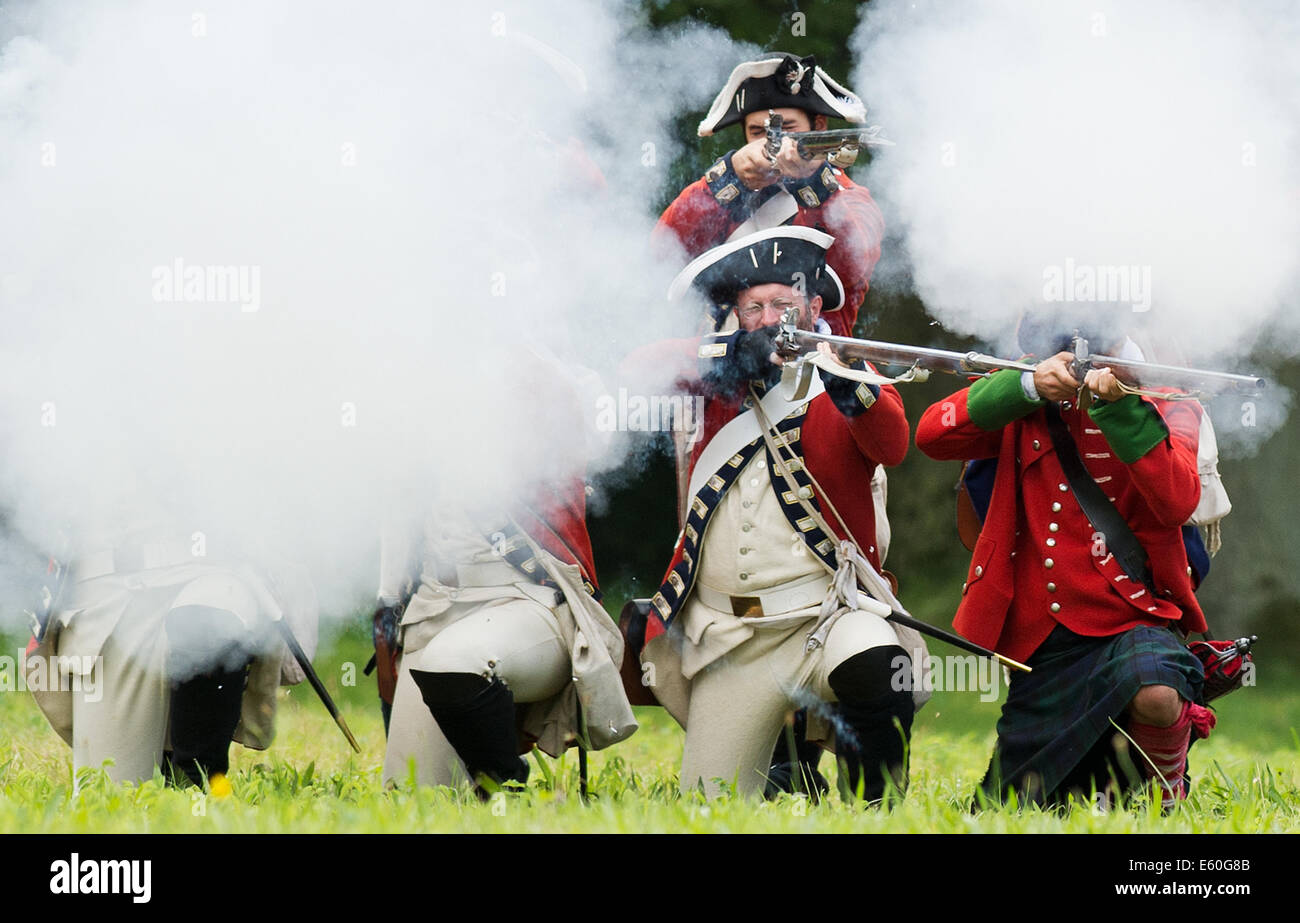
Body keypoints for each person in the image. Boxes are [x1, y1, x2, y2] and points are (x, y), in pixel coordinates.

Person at [629, 227, 926, 802]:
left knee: (879, 666)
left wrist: (838, 377)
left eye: (784, 306)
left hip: (826, 616)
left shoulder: (839, 376)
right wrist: (732, 354)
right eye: (754, 308)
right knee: (710, 803)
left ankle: (878, 810)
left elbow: (892, 441)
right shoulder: (714, 384)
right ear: (737, 316)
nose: (769, 319)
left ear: (814, 308)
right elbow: (637, 366)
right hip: (733, 634)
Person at [914, 313, 1216, 808]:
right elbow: (932, 435)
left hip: (1132, 616)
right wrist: (1027, 387)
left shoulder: (1165, 395)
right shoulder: (1026, 387)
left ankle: (1167, 786)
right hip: (1044, 636)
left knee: (1156, 692)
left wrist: (1121, 409)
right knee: (1011, 809)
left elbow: (1178, 500)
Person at [379, 347, 636, 794]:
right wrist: (386, 603)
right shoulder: (420, 383)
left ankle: (503, 792)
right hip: (436, 606)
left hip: (528, 598)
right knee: (410, 799)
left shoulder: (555, 380)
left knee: (454, 661)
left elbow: (592, 429)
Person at [26, 515, 318, 792]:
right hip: (110, 589)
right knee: (112, 797)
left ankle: (200, 786)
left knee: (211, 617)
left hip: (215, 570)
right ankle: (172, 758)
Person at [654, 52, 886, 339]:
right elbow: (663, 255)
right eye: (756, 132)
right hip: (726, 368)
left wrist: (812, 184)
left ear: (819, 127)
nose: (771, 142)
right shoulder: (726, 193)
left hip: (814, 369)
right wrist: (728, 177)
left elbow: (852, 267)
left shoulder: (847, 197)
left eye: (787, 128)